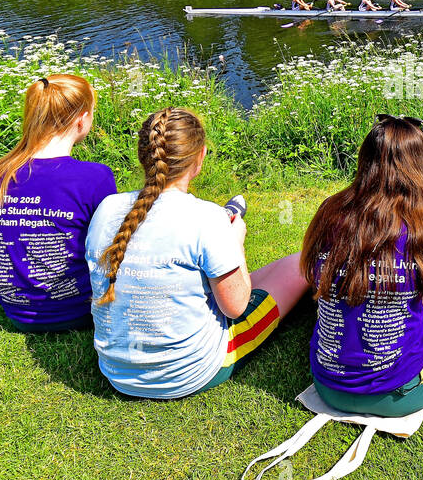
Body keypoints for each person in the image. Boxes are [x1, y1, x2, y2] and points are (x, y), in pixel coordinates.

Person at [86, 107, 311, 398]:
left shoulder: (106, 208)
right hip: (189, 371)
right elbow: (236, 307)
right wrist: (235, 242)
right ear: (200, 157)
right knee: (299, 266)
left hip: (116, 370)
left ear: (143, 154)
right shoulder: (206, 217)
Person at [304, 115, 423, 416]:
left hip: (328, 385)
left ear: (365, 160)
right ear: (422, 167)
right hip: (401, 391)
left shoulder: (330, 210)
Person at [0, 74, 116, 333]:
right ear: (82, 120)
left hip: (16, 312)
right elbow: (110, 246)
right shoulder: (94, 176)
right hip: (78, 311)